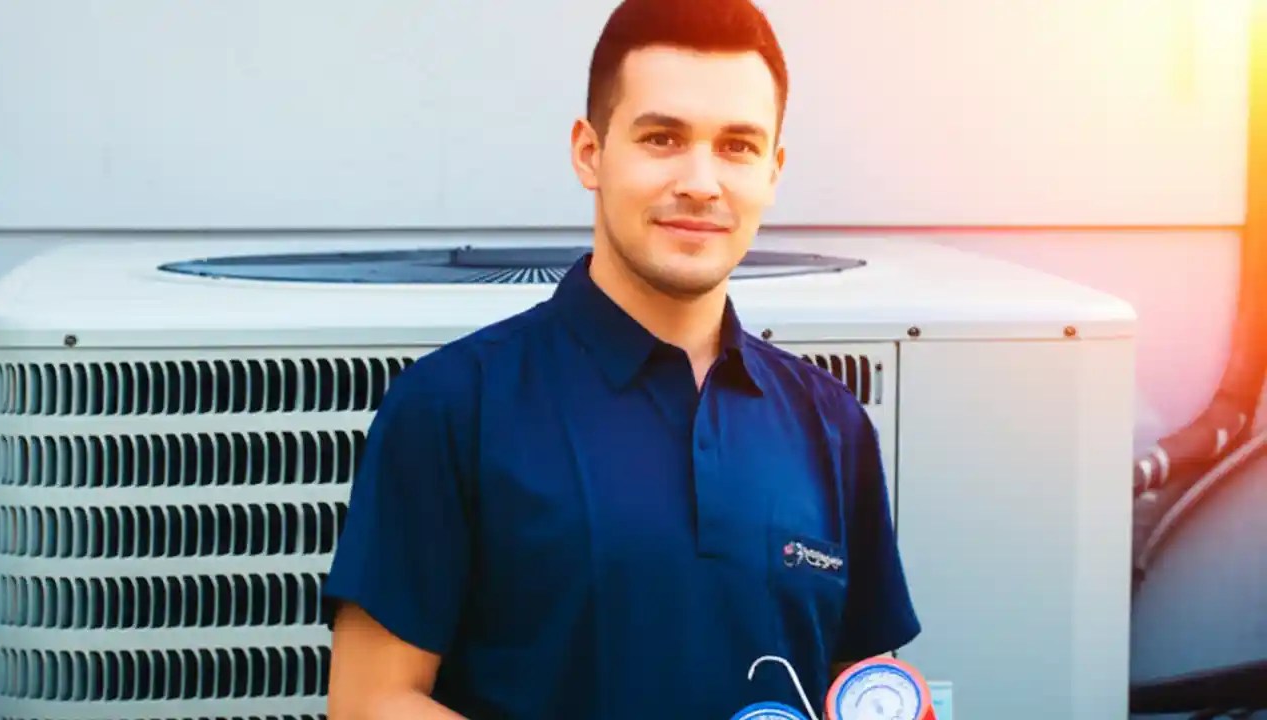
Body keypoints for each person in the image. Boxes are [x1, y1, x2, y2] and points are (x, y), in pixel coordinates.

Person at [323, 0, 920, 717]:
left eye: (737, 146)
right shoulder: (453, 407)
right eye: (663, 138)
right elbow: (372, 701)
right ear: (590, 153)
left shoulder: (832, 424)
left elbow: (865, 688)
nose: (701, 182)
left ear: (773, 170)